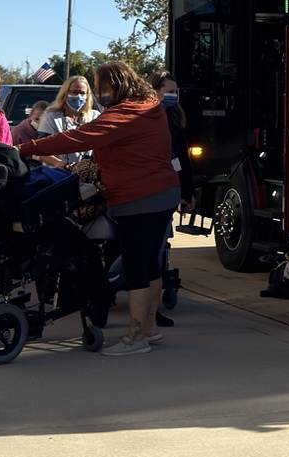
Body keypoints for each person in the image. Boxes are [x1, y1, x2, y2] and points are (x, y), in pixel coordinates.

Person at [19, 61, 178, 356]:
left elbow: (78, 137)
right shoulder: (148, 105)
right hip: (164, 193)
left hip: (138, 198)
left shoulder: (124, 113)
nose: (98, 93)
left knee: (135, 266)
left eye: (101, 86)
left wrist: (25, 148)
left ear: (115, 85)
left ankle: (135, 337)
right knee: (153, 264)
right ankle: (150, 328)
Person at [151, 70, 194, 208]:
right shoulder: (144, 119)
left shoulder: (175, 117)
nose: (173, 96)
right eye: (170, 91)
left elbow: (182, 157)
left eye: (175, 92)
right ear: (155, 91)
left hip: (169, 184)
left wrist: (187, 193)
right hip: (150, 186)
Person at [36, 73, 100, 165]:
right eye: (74, 92)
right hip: (60, 173)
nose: (78, 96)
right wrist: (62, 165)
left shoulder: (95, 117)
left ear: (87, 95)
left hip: (87, 171)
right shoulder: (51, 117)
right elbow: (42, 149)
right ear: (65, 94)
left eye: (82, 93)